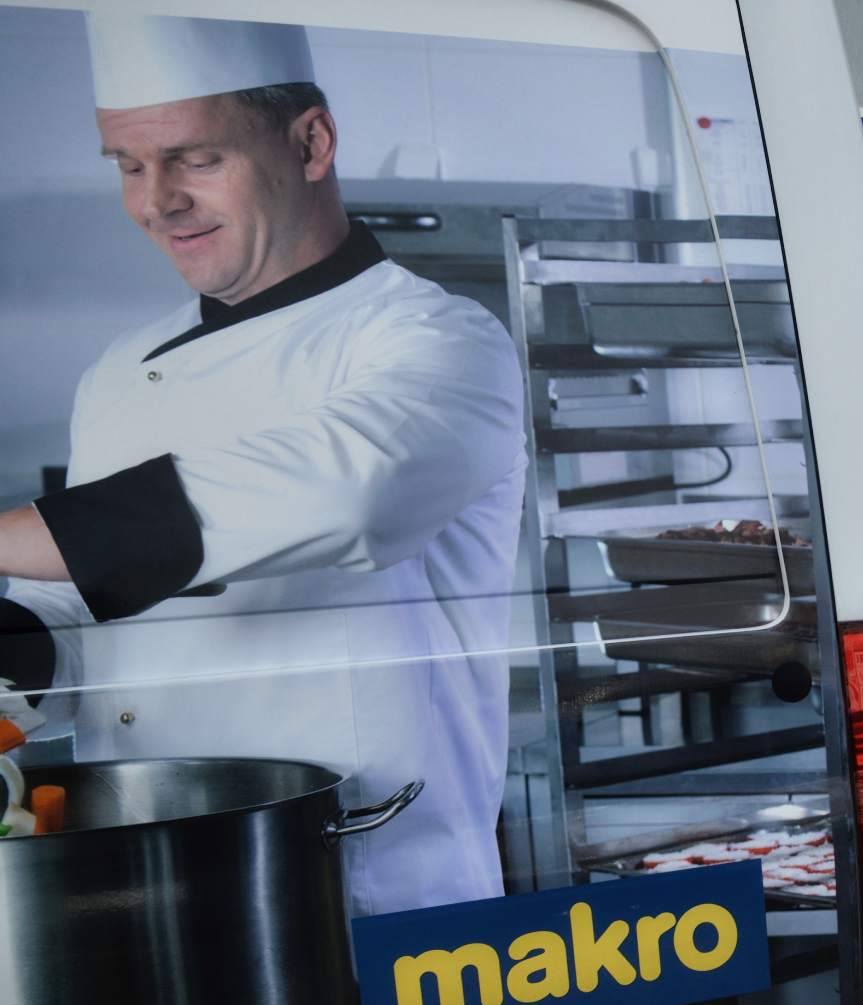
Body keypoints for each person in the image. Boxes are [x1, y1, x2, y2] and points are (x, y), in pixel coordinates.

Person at [0, 16, 526, 917]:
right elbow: (84, 597)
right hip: (150, 888)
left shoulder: (436, 340)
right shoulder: (121, 373)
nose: (154, 201)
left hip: (379, 898)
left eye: (193, 158)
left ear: (311, 142)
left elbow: (353, 493)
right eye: (127, 164)